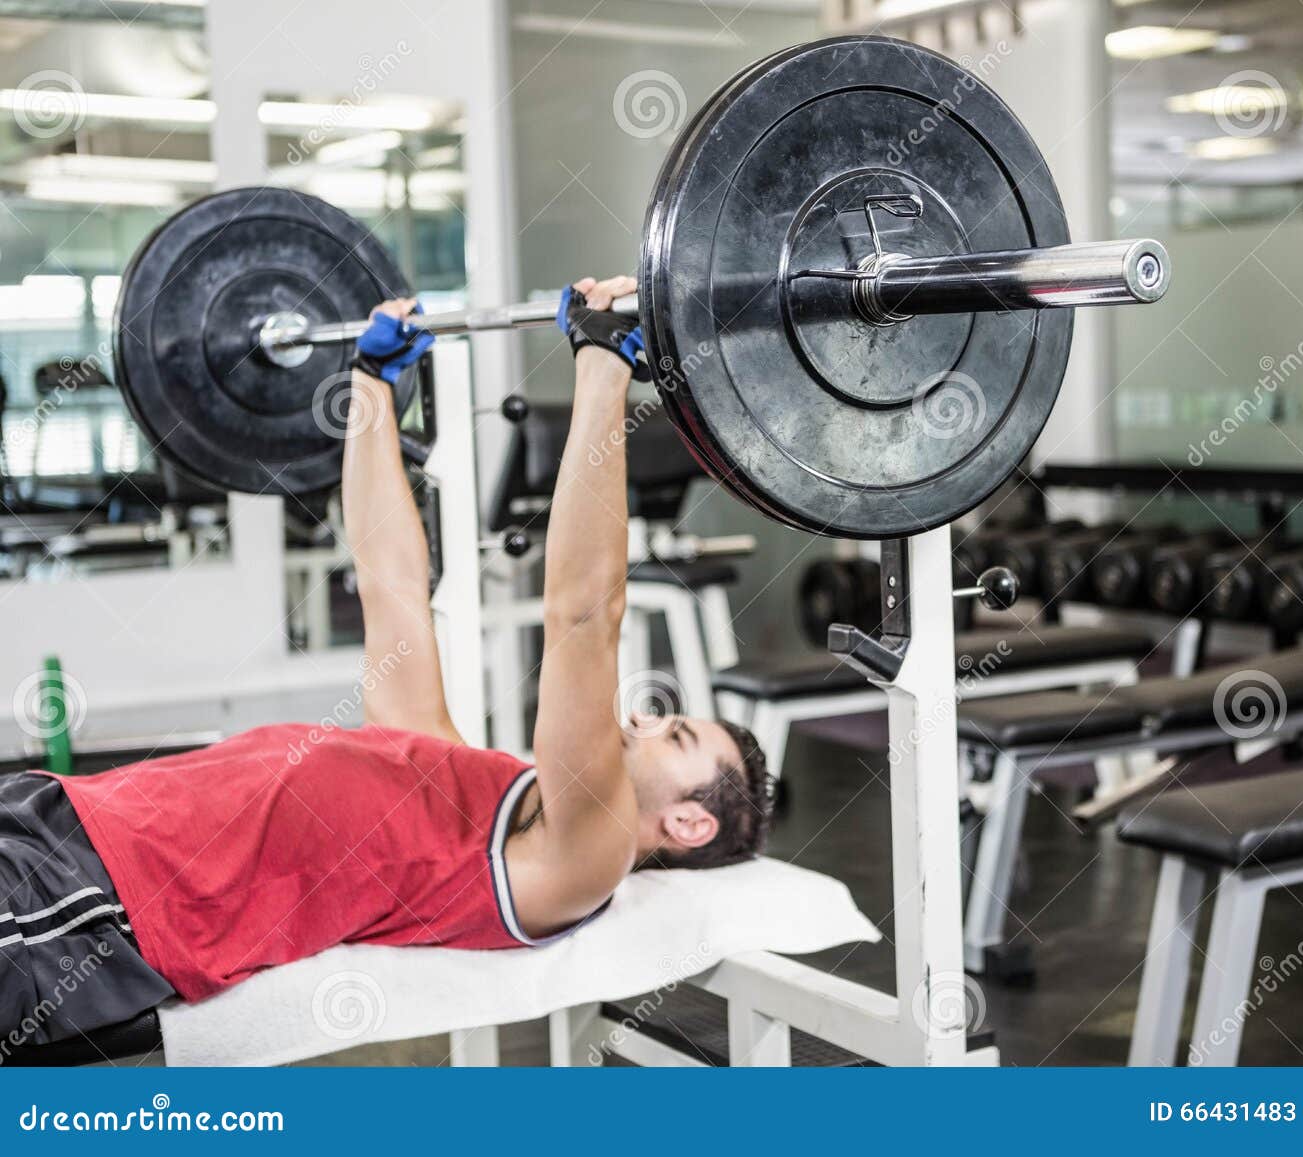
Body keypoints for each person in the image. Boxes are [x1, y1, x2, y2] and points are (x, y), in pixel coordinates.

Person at [0, 276, 771, 1050]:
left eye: (675, 738)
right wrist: (372, 393)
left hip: (108, 901)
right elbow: (391, 584)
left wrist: (604, 370)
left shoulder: (583, 862)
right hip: (73, 818)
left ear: (688, 822)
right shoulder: (461, 783)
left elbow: (583, 617)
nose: (645, 715)